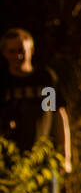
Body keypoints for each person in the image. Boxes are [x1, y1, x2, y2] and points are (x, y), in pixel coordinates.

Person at [2, 28, 72, 172]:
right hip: (9, 165)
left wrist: (65, 157)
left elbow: (56, 114)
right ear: (4, 53)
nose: (18, 56)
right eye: (12, 51)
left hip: (44, 162)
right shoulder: (4, 83)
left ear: (31, 50)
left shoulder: (44, 79)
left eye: (21, 50)